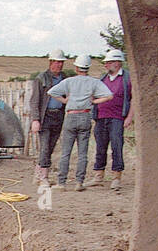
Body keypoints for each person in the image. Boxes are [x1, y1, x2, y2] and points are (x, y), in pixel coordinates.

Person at [48, 55, 113, 190]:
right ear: (87, 67)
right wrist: (94, 101)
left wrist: (65, 100)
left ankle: (62, 182)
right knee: (82, 153)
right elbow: (109, 96)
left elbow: (51, 92)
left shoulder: (69, 81)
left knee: (66, 152)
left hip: (71, 116)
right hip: (85, 116)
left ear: (76, 67)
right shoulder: (94, 82)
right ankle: (79, 182)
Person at [88, 48, 133, 191]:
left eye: (108, 63)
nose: (106, 65)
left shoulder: (127, 79)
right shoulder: (103, 79)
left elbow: (134, 99)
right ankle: (98, 176)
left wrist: (129, 117)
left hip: (117, 118)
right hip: (101, 117)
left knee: (116, 147)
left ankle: (116, 177)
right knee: (100, 147)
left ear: (117, 63)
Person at [28, 50, 68, 185]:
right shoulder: (41, 78)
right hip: (45, 116)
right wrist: (35, 119)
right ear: (51, 62)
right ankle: (44, 177)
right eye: (57, 62)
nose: (59, 65)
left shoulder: (64, 78)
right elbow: (34, 100)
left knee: (50, 147)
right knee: (45, 147)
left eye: (61, 62)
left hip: (58, 115)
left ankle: (38, 173)